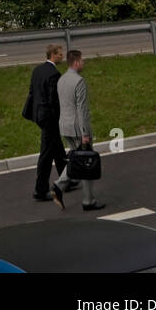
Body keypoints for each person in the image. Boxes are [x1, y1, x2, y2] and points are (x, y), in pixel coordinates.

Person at [53, 49, 106, 212]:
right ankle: (88, 201)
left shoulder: (61, 80)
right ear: (76, 62)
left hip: (65, 126)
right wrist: (84, 134)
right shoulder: (79, 81)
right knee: (86, 163)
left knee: (77, 159)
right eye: (82, 61)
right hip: (78, 128)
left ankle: (58, 187)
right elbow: (81, 109)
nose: (83, 63)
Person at [27, 42, 69, 202]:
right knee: (46, 154)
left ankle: (66, 180)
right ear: (53, 55)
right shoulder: (54, 74)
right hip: (50, 119)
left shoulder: (37, 70)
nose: (62, 56)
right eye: (60, 54)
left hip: (39, 115)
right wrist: (62, 117)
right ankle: (40, 190)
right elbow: (54, 101)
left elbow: (32, 93)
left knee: (57, 149)